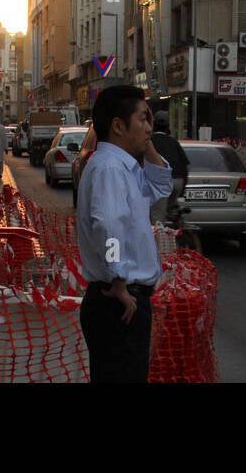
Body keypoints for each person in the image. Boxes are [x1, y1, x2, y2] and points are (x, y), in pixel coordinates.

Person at [76, 86, 172, 384]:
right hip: (117, 301)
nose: (149, 127)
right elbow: (108, 226)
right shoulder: (110, 169)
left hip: (123, 300)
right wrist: (118, 280)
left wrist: (146, 140)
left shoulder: (124, 167)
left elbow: (160, 185)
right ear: (118, 126)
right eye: (143, 119)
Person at [148, 109, 189, 226]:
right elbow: (184, 166)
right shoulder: (174, 142)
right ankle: (177, 226)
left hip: (161, 184)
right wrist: (182, 188)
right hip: (177, 182)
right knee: (171, 211)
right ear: (168, 127)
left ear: (153, 125)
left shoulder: (149, 142)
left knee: (157, 219)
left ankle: (160, 235)